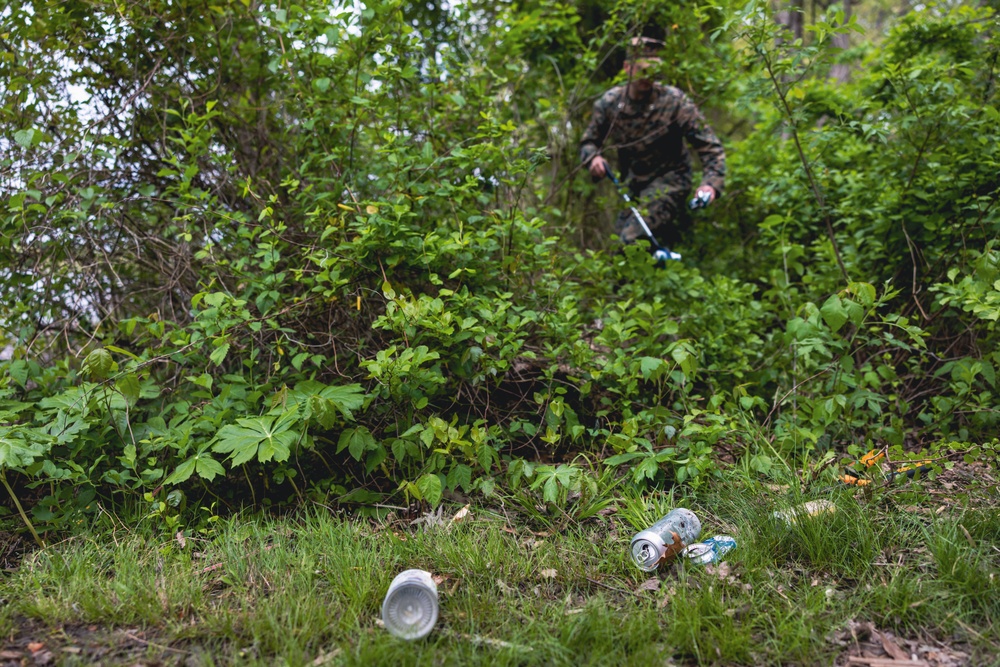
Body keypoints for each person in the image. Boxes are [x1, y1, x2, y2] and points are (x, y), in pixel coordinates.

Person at [580, 37, 726, 251]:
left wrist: (710, 184)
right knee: (616, 253)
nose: (647, 77)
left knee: (630, 242)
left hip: (671, 181)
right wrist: (594, 158)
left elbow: (710, 146)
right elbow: (589, 142)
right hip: (632, 187)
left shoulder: (674, 101)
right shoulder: (610, 103)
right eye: (642, 69)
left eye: (653, 70)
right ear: (627, 68)